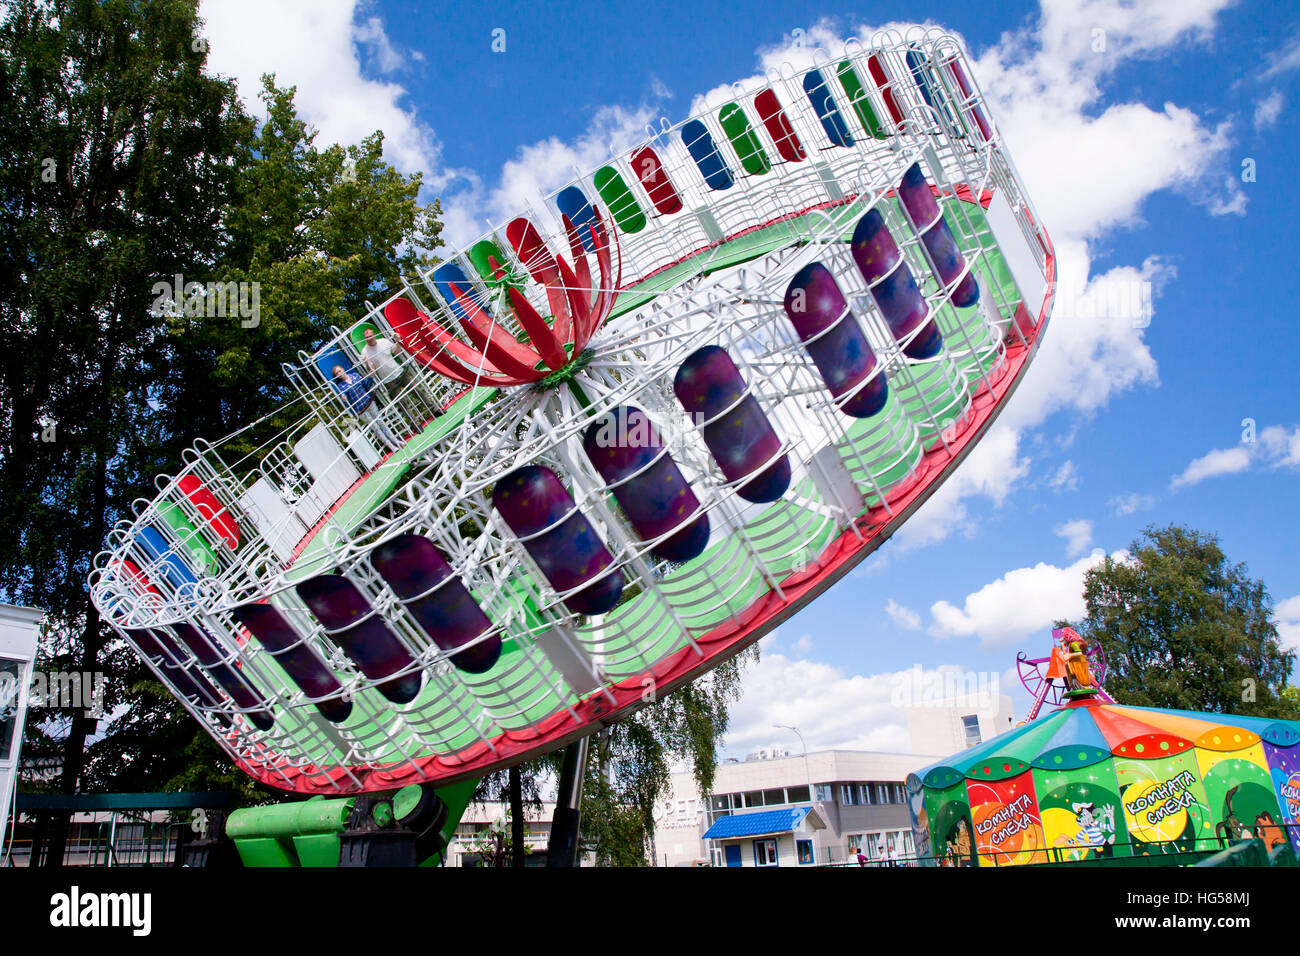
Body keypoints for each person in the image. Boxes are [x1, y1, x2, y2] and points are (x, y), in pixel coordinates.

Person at [360, 327, 439, 422]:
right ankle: (415, 424)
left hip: (399, 372)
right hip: (388, 381)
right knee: (402, 403)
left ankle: (434, 410)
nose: (369, 338)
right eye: (367, 337)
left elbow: (396, 351)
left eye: (371, 336)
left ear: (374, 335)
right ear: (365, 339)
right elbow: (370, 368)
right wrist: (367, 364)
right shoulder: (365, 352)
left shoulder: (383, 341)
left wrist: (398, 341)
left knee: (417, 391)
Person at [331, 364, 402, 453]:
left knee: (381, 422)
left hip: (369, 403)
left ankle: (396, 441)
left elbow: (366, 385)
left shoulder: (355, 375)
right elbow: (346, 403)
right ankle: (391, 446)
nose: (339, 373)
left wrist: (371, 377)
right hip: (361, 410)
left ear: (343, 369)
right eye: (337, 373)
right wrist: (344, 400)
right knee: (375, 427)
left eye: (339, 371)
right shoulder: (341, 387)